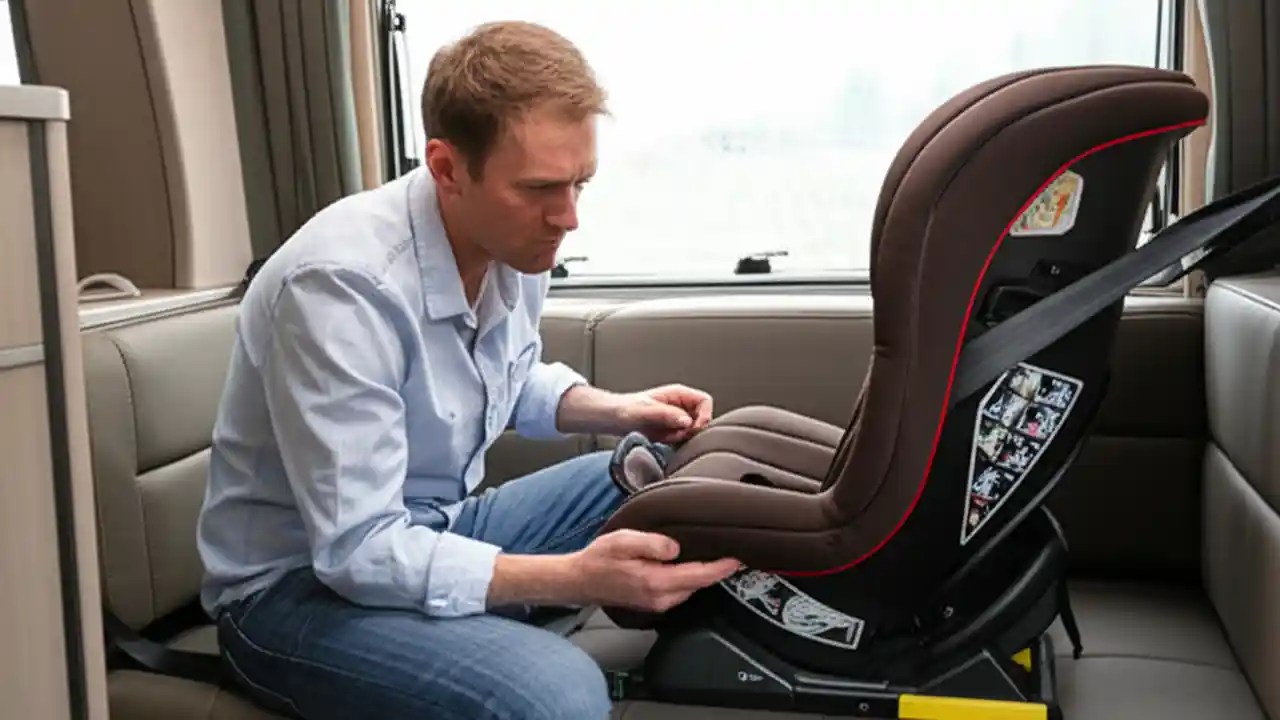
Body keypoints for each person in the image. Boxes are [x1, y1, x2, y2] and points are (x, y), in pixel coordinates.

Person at [195, 19, 742, 720]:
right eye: (543, 187)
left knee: (659, 475)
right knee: (561, 694)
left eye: (581, 183)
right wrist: (573, 578)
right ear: (448, 168)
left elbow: (499, 380)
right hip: (295, 593)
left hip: (435, 527)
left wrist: (620, 409)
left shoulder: (511, 244)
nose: (568, 217)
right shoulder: (340, 286)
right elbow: (359, 553)